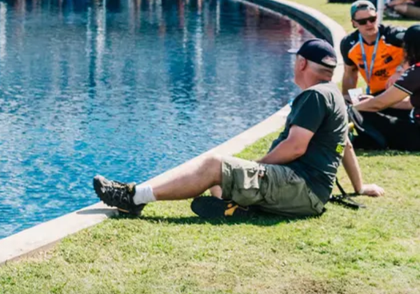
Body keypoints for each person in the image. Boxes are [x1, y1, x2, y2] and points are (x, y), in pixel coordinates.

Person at [94, 39, 383, 219]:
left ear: (302, 62)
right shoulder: (332, 93)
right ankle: (235, 207)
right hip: (306, 192)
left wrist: (253, 165)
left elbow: (296, 146)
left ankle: (133, 197)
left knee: (216, 165)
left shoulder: (316, 96)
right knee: (221, 180)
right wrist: (359, 188)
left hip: (301, 188)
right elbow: (346, 144)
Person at [351, 24, 420, 151]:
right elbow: (410, 103)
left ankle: (373, 142)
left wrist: (349, 109)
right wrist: (372, 98)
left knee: (365, 113)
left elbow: (378, 104)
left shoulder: (416, 73)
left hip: (416, 136)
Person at [340, 1, 406, 97]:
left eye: (372, 19)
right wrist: (347, 98)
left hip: (404, 90)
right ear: (354, 23)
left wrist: (400, 71)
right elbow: (350, 73)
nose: (369, 24)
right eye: (362, 22)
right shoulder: (348, 44)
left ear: (377, 16)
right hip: (377, 95)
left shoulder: (394, 36)